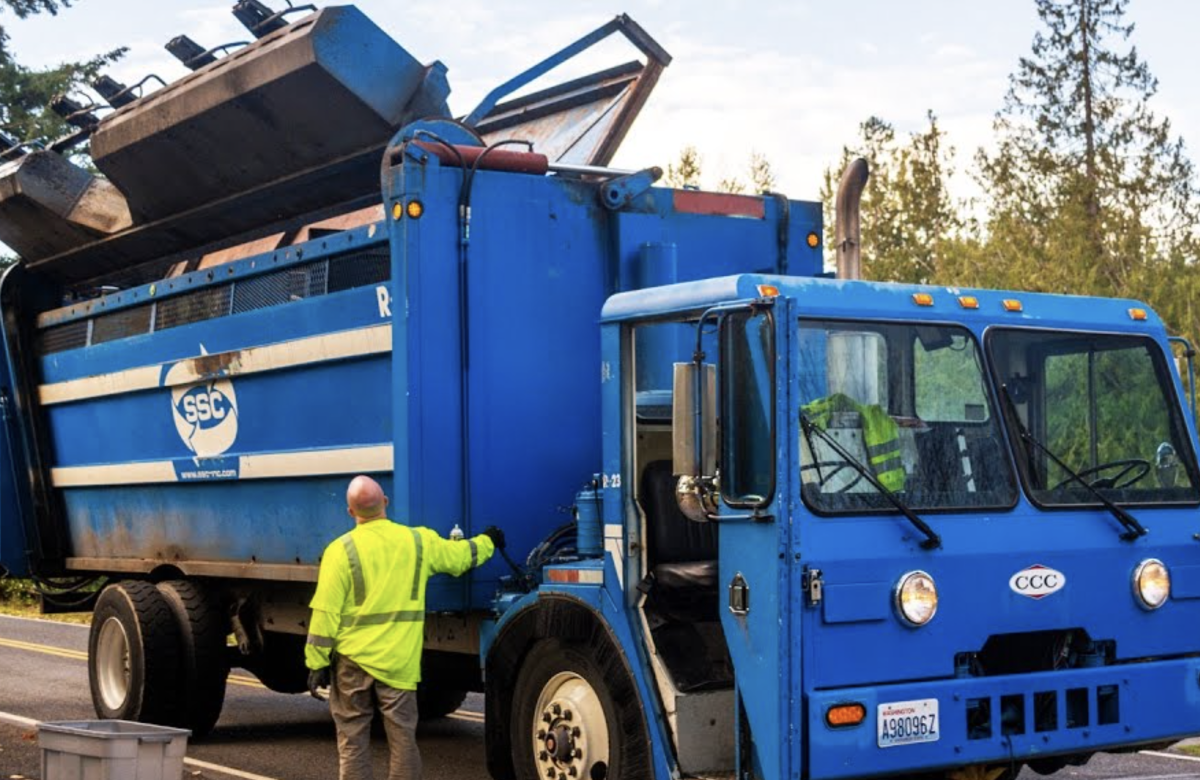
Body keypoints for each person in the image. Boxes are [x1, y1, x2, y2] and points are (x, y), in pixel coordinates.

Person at [305, 475, 505, 780]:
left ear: (350, 512)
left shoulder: (339, 551)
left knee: (352, 741)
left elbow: (325, 614)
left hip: (351, 662)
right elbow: (460, 558)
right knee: (403, 741)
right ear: (385, 502)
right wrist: (488, 540)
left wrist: (317, 662)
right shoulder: (417, 541)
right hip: (399, 662)